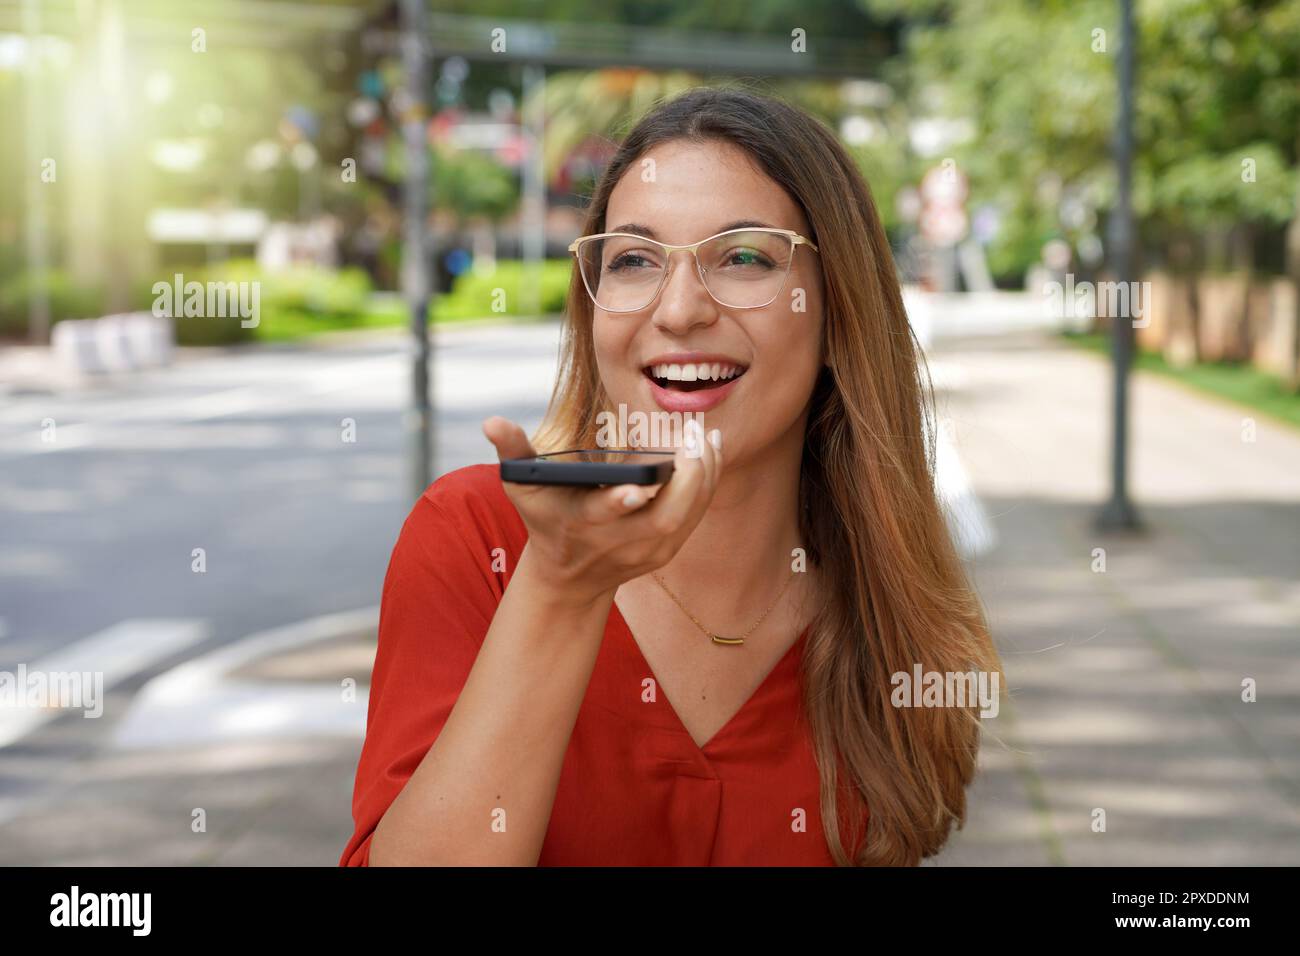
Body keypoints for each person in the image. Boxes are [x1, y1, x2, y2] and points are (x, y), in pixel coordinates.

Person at [341, 86, 1001, 867]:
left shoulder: (883, 606)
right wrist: (560, 590)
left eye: (745, 256)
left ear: (838, 313)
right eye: (633, 260)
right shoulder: (474, 536)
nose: (679, 309)